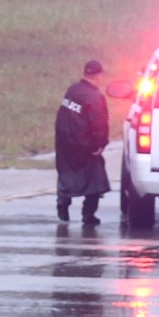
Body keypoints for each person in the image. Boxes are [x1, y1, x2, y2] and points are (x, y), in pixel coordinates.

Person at [55, 60, 112, 225]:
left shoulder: (72, 90)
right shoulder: (95, 97)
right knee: (95, 180)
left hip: (65, 142)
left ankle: (63, 204)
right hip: (86, 145)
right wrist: (99, 144)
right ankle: (88, 214)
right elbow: (99, 123)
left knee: (67, 175)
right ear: (99, 75)